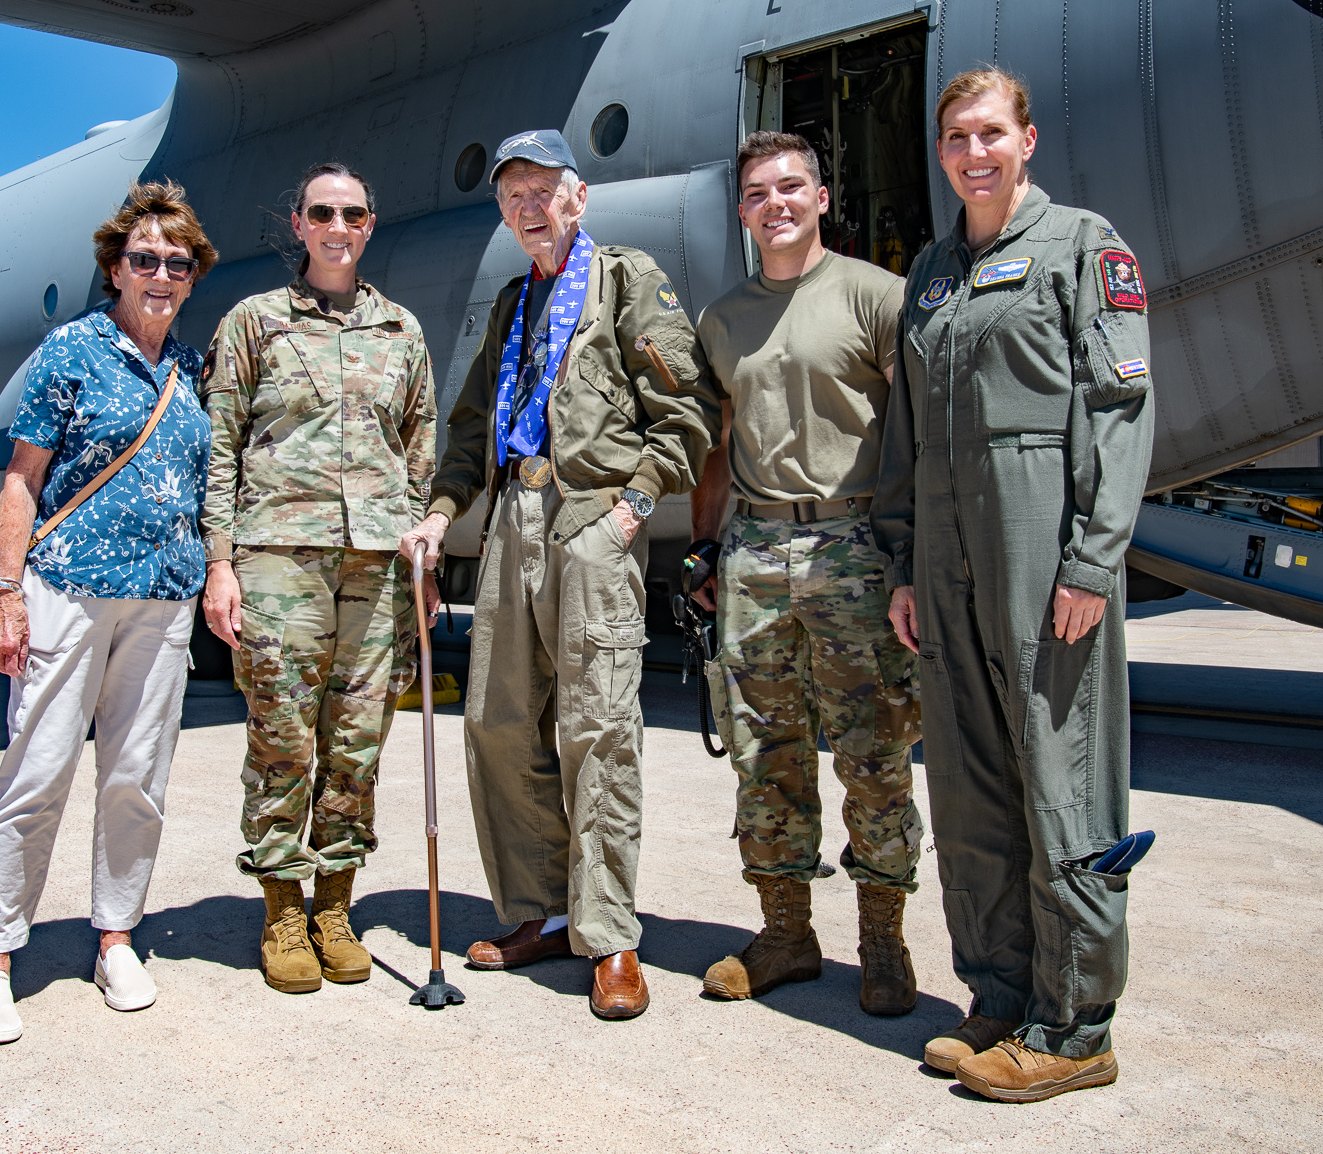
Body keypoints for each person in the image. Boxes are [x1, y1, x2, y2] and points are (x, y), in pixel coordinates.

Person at [874, 68, 1155, 1102]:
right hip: (945, 563)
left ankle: (1074, 1027)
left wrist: (1091, 559)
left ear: (1025, 140)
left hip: (1041, 554)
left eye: (990, 132)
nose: (972, 151)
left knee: (1060, 777)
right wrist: (903, 564)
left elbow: (1119, 411)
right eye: (955, 136)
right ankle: (999, 995)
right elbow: (904, 435)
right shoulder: (933, 274)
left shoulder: (1083, 246)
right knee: (970, 786)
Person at [398, 129, 717, 1021]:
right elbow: (470, 422)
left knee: (598, 729)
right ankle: (539, 910)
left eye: (543, 190)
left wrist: (633, 509)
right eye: (513, 196)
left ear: (578, 196)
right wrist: (440, 508)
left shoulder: (624, 280)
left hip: (591, 522)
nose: (529, 208)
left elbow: (687, 408)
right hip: (512, 515)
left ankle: (611, 937)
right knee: (497, 723)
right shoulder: (512, 302)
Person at [0, 180, 218, 1046]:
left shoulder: (191, 371)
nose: (160, 274)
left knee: (136, 778)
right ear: (115, 267)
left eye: (176, 264)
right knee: (37, 772)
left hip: (162, 598)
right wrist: (4, 593)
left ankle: (115, 936)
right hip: (68, 587)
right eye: (143, 259)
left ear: (190, 278)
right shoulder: (70, 351)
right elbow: (21, 480)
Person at [687, 131, 922, 1016]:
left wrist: (911, 561)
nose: (775, 203)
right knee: (764, 757)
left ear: (822, 197)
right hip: (753, 557)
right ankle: (785, 931)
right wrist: (706, 547)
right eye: (757, 192)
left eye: (791, 187)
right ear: (742, 209)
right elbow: (718, 447)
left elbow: (914, 439)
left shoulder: (876, 297)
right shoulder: (722, 319)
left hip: (855, 548)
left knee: (875, 753)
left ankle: (882, 940)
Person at [200, 162, 436, 994]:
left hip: (376, 564)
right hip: (276, 558)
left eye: (355, 213)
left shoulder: (400, 330)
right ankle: (280, 907)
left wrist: (421, 555)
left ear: (371, 225)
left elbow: (418, 448)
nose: (339, 225)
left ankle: (335, 902)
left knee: (359, 739)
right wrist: (219, 562)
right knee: (284, 736)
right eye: (322, 212)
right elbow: (219, 444)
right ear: (297, 224)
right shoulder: (254, 324)